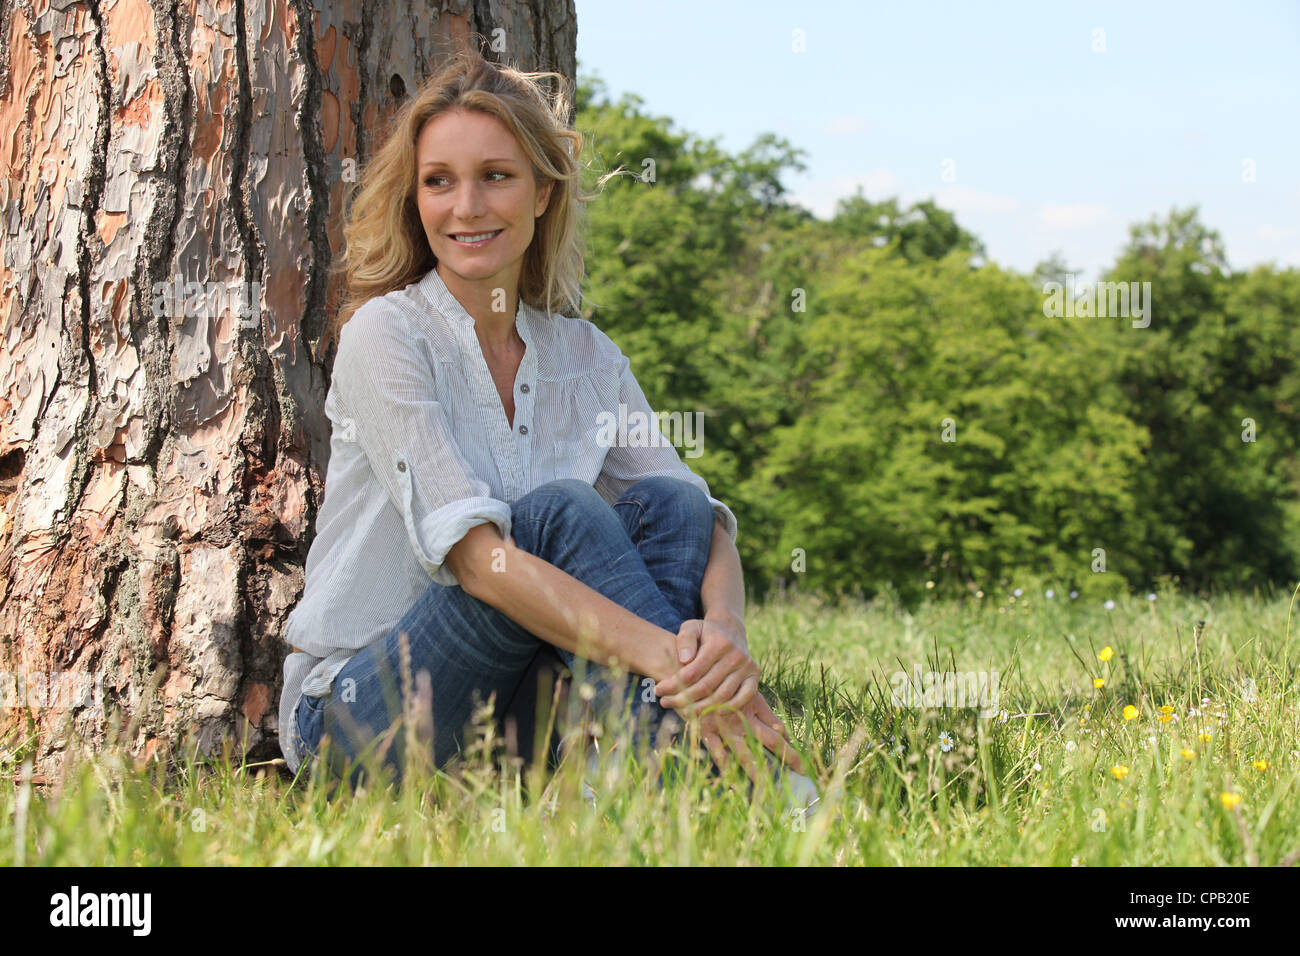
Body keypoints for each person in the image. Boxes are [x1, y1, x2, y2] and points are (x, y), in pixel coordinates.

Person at [277, 48, 812, 804]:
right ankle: (706, 772)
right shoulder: (387, 335)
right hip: (364, 718)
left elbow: (703, 517)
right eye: (439, 181)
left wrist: (724, 631)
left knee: (671, 504)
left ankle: (636, 768)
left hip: (515, 719)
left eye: (496, 176)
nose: (467, 207)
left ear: (542, 194)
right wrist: (675, 659)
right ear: (415, 199)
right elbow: (478, 565)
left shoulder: (585, 356)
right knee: (559, 513)